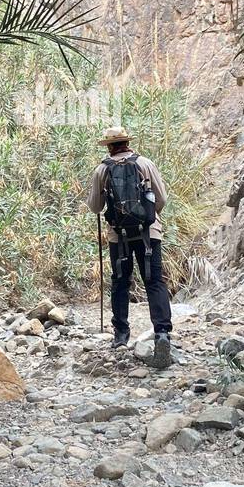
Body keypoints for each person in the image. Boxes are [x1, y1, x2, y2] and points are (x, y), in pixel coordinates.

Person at [87, 125, 173, 367]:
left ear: (109, 146)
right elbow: (162, 198)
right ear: (127, 143)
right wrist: (147, 217)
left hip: (119, 236)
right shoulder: (145, 164)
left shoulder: (102, 170)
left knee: (121, 282)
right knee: (154, 281)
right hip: (149, 233)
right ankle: (162, 332)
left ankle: (121, 335)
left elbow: (95, 207)